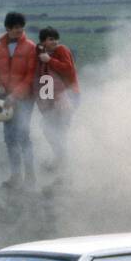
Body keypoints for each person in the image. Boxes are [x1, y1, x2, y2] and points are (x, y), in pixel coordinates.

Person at [0, 11, 39, 188]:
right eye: (15, 27)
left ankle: (30, 176)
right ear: (7, 28)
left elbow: (30, 76)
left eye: (21, 27)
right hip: (3, 98)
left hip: (24, 99)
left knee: (23, 135)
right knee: (9, 138)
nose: (19, 30)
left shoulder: (31, 47)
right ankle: (15, 176)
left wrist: (14, 95)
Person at [35, 26, 79, 173]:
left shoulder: (61, 50)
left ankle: (64, 167)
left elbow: (69, 70)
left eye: (56, 38)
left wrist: (50, 60)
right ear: (43, 42)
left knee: (59, 131)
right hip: (53, 99)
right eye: (51, 39)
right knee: (49, 129)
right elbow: (45, 80)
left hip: (68, 95)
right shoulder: (41, 56)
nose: (55, 41)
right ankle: (61, 160)